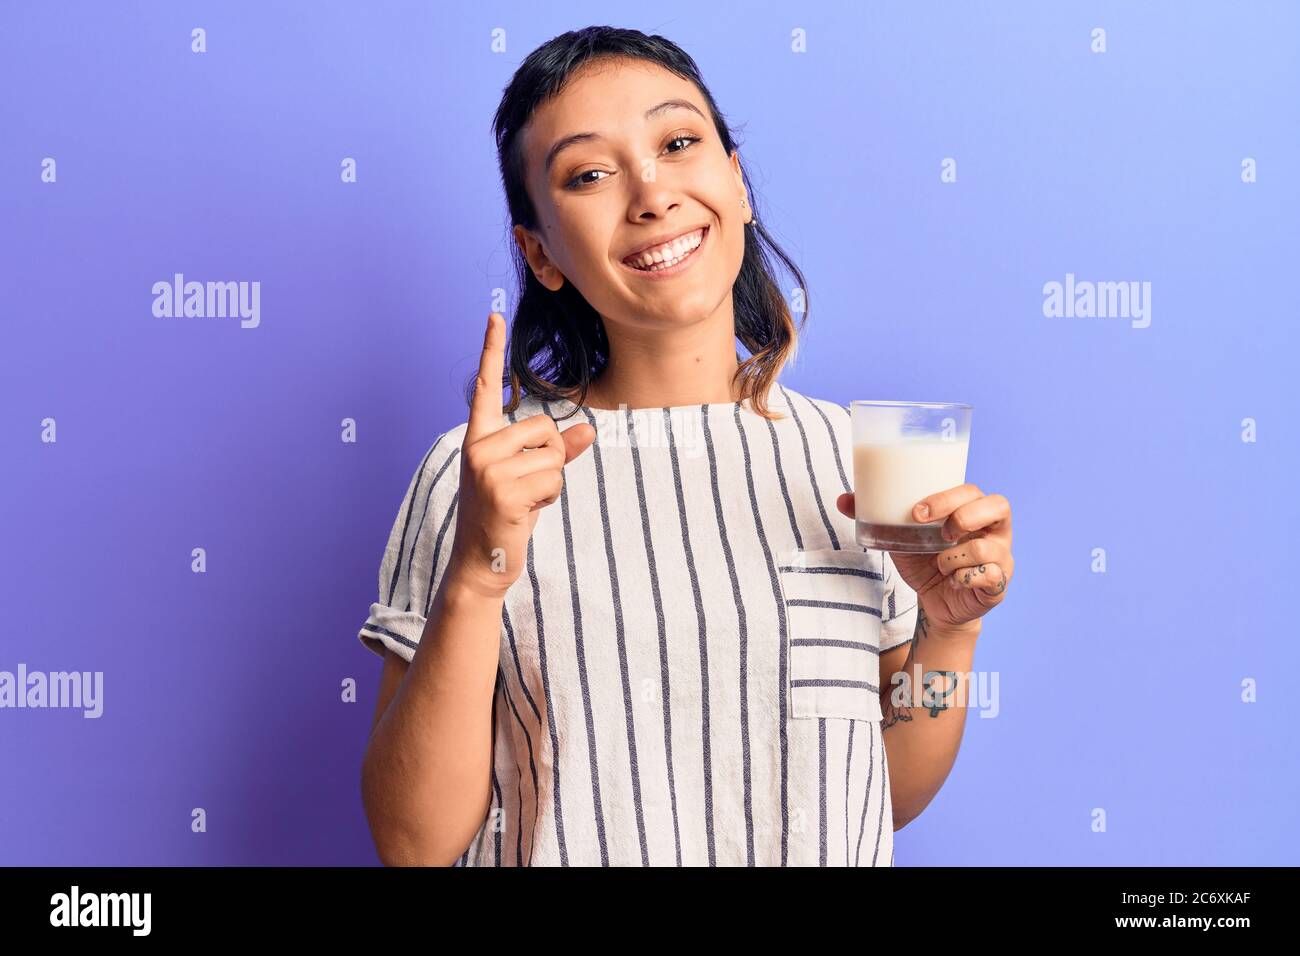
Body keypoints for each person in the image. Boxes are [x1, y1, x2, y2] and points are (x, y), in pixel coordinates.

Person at [357, 26, 1015, 867]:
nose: (651, 194)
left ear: (735, 182)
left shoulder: (859, 458)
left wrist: (950, 638)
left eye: (677, 144)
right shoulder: (480, 474)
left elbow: (885, 790)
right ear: (539, 253)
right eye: (589, 173)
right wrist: (480, 569)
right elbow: (413, 842)